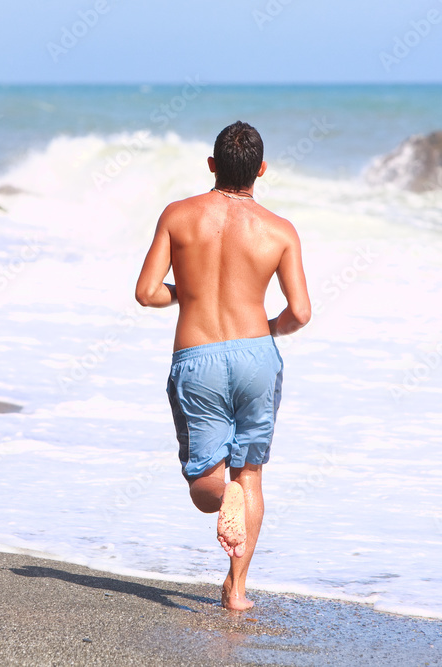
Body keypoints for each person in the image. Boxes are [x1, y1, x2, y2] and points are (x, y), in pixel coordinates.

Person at [135, 121, 311, 610]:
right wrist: (266, 329)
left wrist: (186, 294)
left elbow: (147, 293)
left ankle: (224, 494)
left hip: (199, 357)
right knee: (250, 473)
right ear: (261, 170)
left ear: (211, 165)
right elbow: (300, 312)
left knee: (205, 482)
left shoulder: (178, 215)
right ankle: (237, 591)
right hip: (258, 355)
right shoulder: (280, 231)